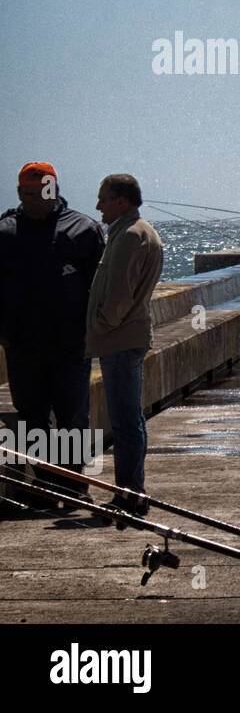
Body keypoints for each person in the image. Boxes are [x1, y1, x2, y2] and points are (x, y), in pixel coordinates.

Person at [0, 162, 104, 507]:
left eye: (40, 193)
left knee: (72, 414)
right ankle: (44, 486)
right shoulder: (6, 231)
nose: (32, 200)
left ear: (54, 190)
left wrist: (96, 331)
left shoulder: (83, 229)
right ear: (19, 193)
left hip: (72, 343)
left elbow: (100, 288)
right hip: (22, 344)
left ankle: (73, 486)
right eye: (25, 194)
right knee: (31, 415)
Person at [86, 174, 163, 513]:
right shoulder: (140, 231)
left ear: (122, 201)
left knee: (125, 421)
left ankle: (130, 494)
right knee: (130, 419)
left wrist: (98, 329)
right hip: (128, 336)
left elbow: (118, 296)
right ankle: (132, 491)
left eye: (103, 198)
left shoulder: (130, 236)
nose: (98, 205)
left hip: (119, 339)